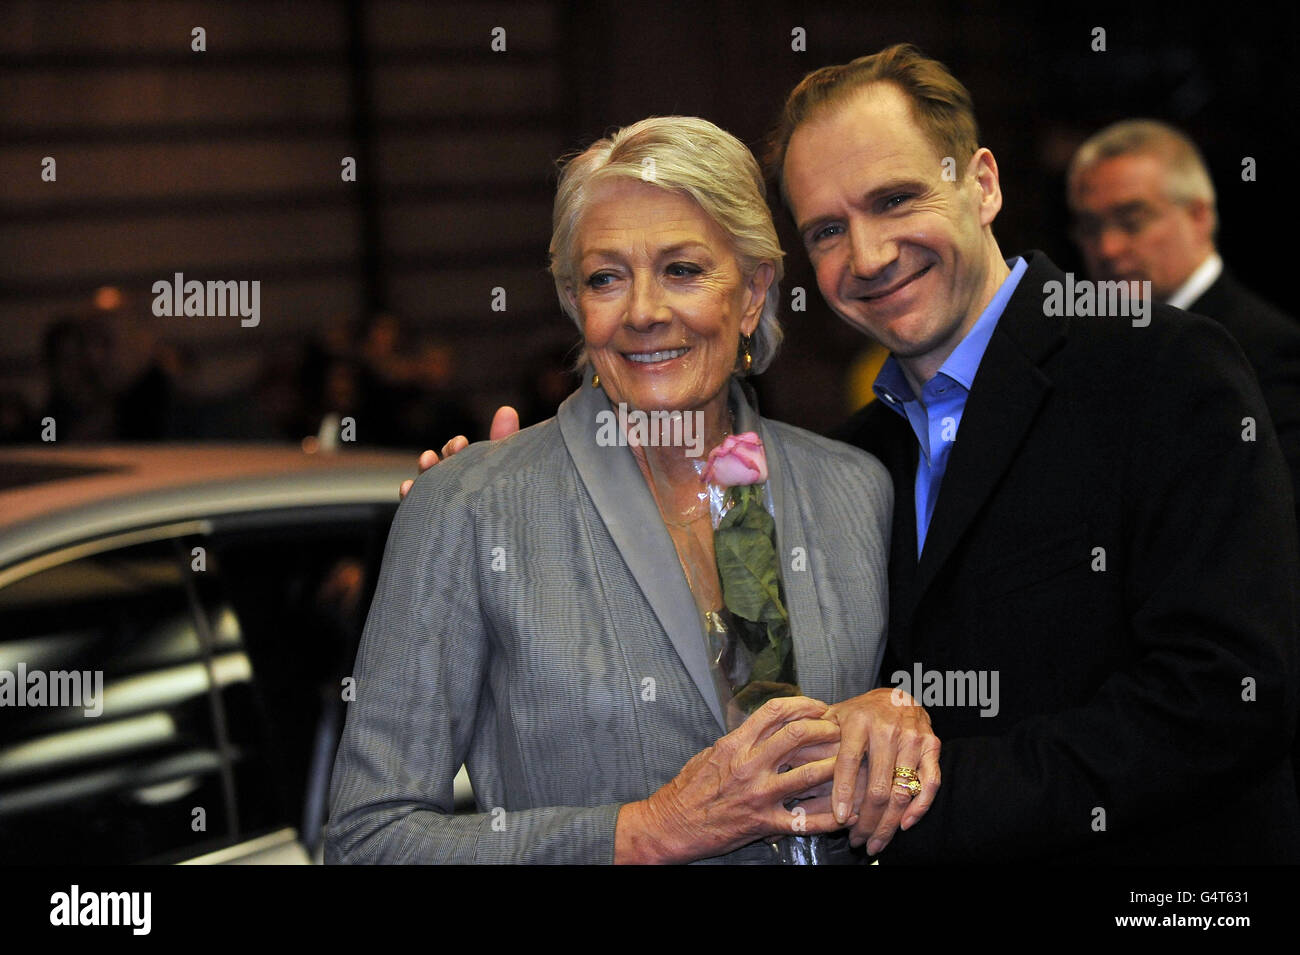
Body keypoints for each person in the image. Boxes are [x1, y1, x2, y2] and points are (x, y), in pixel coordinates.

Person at [424, 45, 1300, 862]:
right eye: (828, 230)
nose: (869, 255)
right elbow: (755, 702)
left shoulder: (1159, 369)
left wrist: (922, 781)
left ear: (983, 184)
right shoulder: (853, 464)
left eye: (894, 200)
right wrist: (518, 514)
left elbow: (1225, 700)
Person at [326, 116, 937, 865]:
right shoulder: (469, 508)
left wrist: (896, 724)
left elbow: (901, 755)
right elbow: (368, 841)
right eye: (606, 277)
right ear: (576, 304)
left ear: (751, 293)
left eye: (682, 269)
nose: (644, 311)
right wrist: (646, 830)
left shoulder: (852, 489)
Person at [1067, 119, 1300, 528]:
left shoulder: (1268, 349)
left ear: (1199, 216)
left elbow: (1269, 520)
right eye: (1091, 227)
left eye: (1132, 219)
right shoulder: (1088, 349)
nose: (1108, 248)